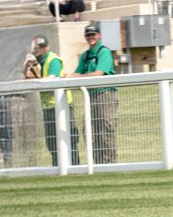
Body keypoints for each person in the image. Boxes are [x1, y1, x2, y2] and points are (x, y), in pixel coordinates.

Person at [28, 35, 79, 167]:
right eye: (36, 48)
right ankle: (58, 167)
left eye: (41, 47)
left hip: (62, 106)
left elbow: (52, 78)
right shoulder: (37, 63)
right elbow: (28, 76)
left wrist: (35, 80)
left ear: (47, 47)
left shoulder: (53, 60)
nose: (39, 50)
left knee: (69, 139)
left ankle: (74, 167)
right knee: (52, 141)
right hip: (48, 107)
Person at [73, 23, 117, 163]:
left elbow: (98, 74)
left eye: (93, 34)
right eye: (88, 35)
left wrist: (79, 77)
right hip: (90, 96)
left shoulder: (104, 52)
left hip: (105, 94)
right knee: (89, 131)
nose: (90, 37)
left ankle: (109, 164)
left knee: (105, 131)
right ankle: (96, 162)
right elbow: (77, 73)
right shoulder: (85, 55)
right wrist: (64, 76)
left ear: (99, 35)